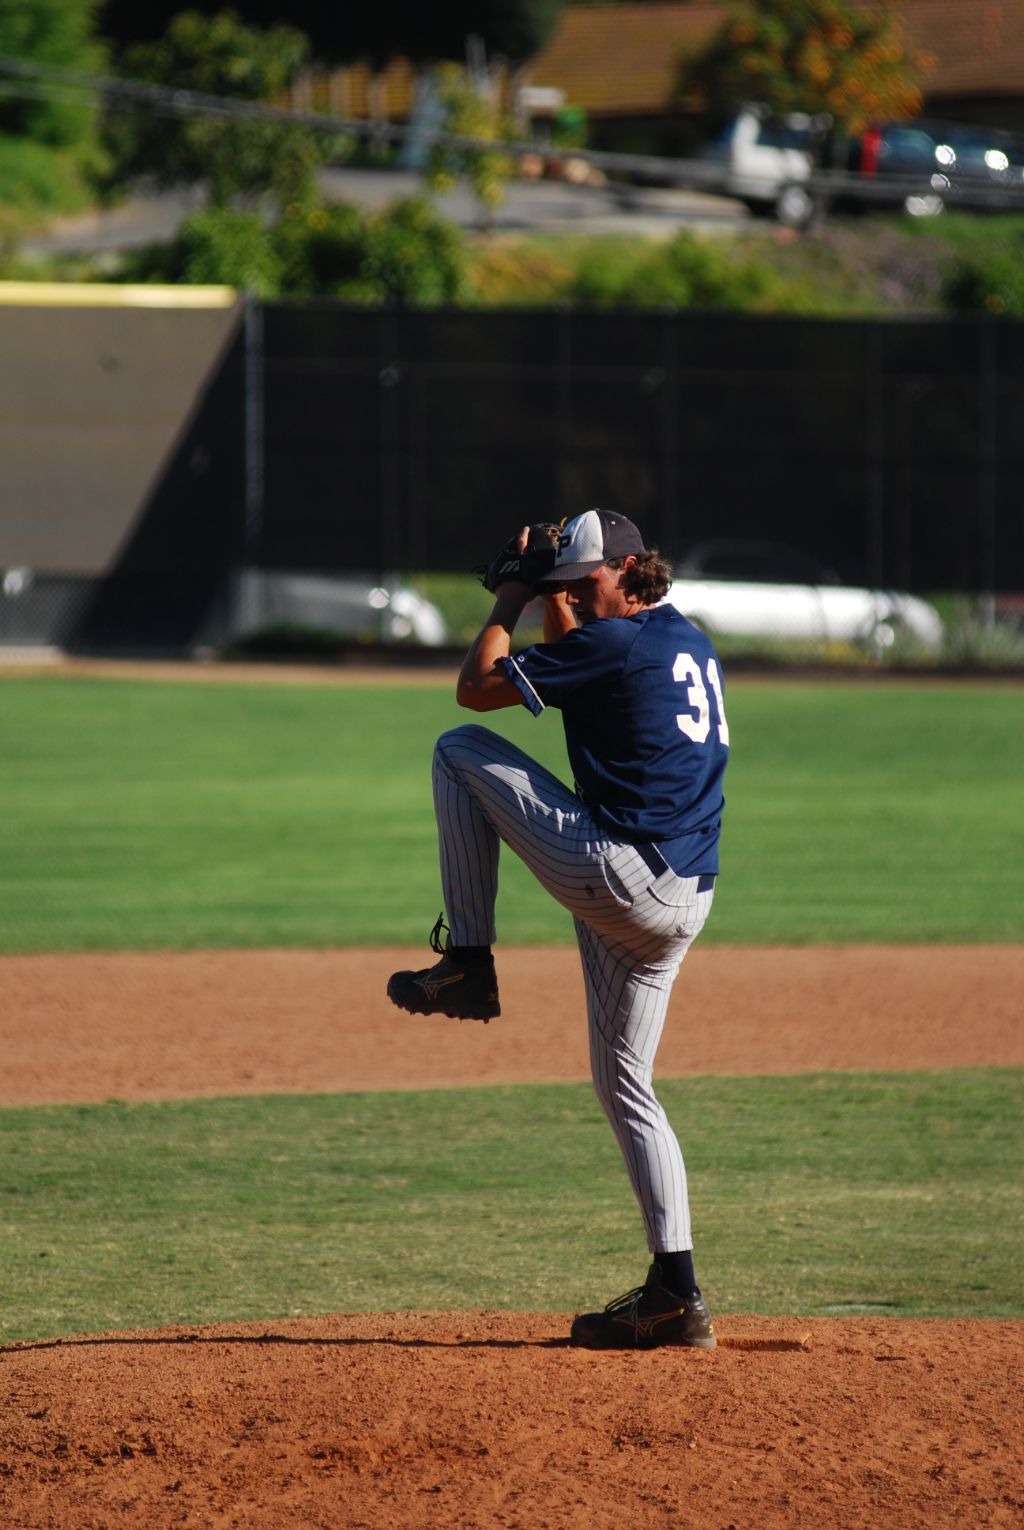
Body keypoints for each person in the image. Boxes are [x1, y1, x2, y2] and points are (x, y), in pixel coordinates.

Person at [387, 509, 729, 1349]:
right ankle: (675, 1296)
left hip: (622, 873)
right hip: (685, 898)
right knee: (627, 1085)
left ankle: (468, 960)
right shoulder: (684, 640)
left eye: (584, 583)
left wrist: (511, 592)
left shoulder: (614, 645)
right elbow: (577, 645)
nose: (573, 597)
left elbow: (478, 683)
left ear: (625, 569)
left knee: (459, 747)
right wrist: (554, 587)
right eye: (566, 588)